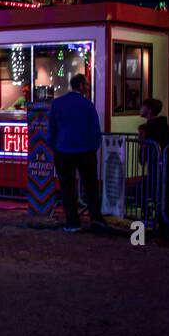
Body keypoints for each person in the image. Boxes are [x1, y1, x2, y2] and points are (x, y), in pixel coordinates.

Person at [49, 73, 104, 232]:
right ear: (81, 86)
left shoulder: (57, 104)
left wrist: (55, 146)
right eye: (86, 85)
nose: (87, 88)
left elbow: (52, 129)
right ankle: (95, 218)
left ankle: (73, 222)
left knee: (67, 188)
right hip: (85, 151)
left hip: (63, 151)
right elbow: (95, 130)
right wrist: (93, 147)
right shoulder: (87, 105)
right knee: (91, 186)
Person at [137, 97, 169, 241]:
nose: (140, 109)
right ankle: (165, 225)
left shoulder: (151, 128)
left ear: (149, 110)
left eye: (143, 106)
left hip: (158, 169)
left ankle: (161, 225)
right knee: (161, 197)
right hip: (163, 169)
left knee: (155, 195)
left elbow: (145, 154)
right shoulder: (162, 127)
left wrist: (142, 145)